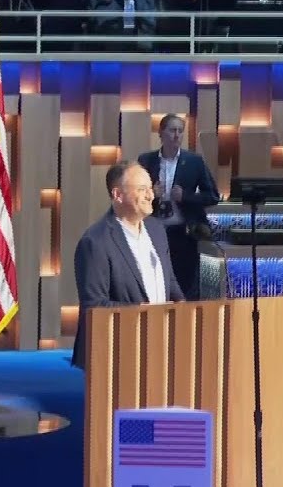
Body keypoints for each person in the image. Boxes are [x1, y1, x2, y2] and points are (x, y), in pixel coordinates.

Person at [71, 160, 186, 370]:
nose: (151, 195)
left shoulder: (157, 230)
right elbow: (95, 306)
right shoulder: (96, 242)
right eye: (142, 190)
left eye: (150, 189)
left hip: (160, 342)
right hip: (117, 353)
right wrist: (141, 313)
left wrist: (182, 307)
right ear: (118, 195)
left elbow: (168, 279)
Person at [137, 114, 220, 300]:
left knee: (183, 286)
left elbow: (213, 196)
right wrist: (151, 194)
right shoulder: (146, 161)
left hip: (183, 234)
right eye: (172, 130)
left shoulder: (194, 161)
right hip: (153, 232)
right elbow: (135, 196)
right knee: (154, 283)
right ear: (161, 133)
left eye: (180, 131)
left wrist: (186, 197)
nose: (176, 135)